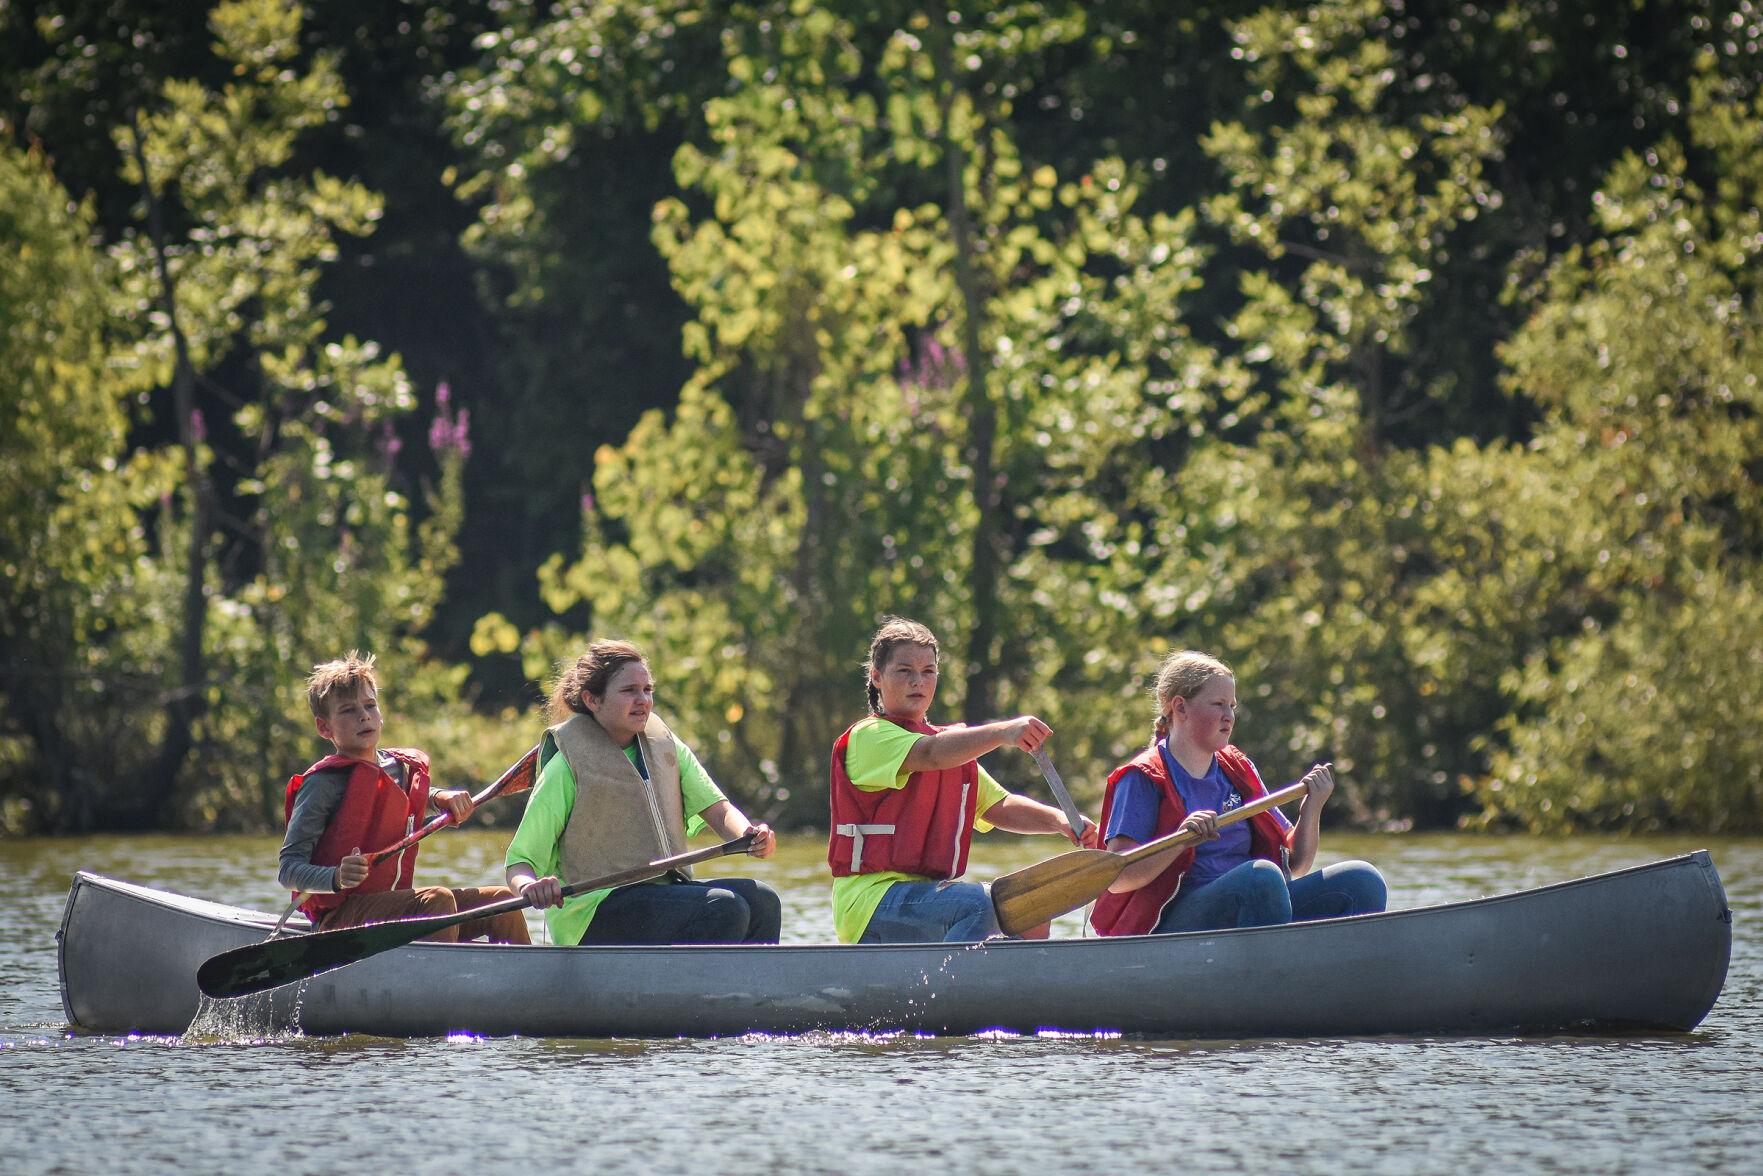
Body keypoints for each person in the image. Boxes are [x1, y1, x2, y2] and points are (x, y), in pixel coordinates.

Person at [829, 616, 1099, 944]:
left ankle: (1007, 983)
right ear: (876, 677)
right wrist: (1003, 731)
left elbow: (1000, 806)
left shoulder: (951, 749)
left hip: (928, 897)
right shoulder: (869, 736)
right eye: (904, 671)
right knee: (974, 905)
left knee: (1029, 909)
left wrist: (1060, 822)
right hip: (869, 904)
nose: (918, 681)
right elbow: (930, 754)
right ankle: (956, 986)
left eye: (928, 672)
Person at [505, 640, 781, 945]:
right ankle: (692, 992)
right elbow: (519, 863)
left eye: (647, 690)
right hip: (591, 914)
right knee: (724, 908)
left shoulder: (665, 747)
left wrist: (750, 834)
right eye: (629, 691)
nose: (643, 701)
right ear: (592, 700)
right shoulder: (565, 767)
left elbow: (719, 810)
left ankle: (748, 993)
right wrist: (530, 887)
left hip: (661, 894)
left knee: (764, 901)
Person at [1092, 650, 1386, 936]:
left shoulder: (1237, 768)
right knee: (1261, 877)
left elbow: (1297, 864)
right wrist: (1178, 842)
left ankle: (1335, 972)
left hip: (1257, 902)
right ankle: (1269, 974)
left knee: (1362, 880)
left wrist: (1313, 807)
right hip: (1173, 921)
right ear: (1180, 707)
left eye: (1232, 706)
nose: (1229, 716)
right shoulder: (1143, 777)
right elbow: (1118, 878)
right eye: (1218, 704)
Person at [279, 651, 531, 944]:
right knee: (437, 900)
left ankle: (534, 986)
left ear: (380, 714)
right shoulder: (322, 784)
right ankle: (440, 986)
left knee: (501, 903)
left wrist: (440, 799)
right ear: (324, 727)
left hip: (391, 909)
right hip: (340, 920)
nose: (363, 715)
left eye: (370, 705)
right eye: (348, 710)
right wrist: (336, 877)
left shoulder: (398, 767)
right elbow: (289, 870)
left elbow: (403, 800)